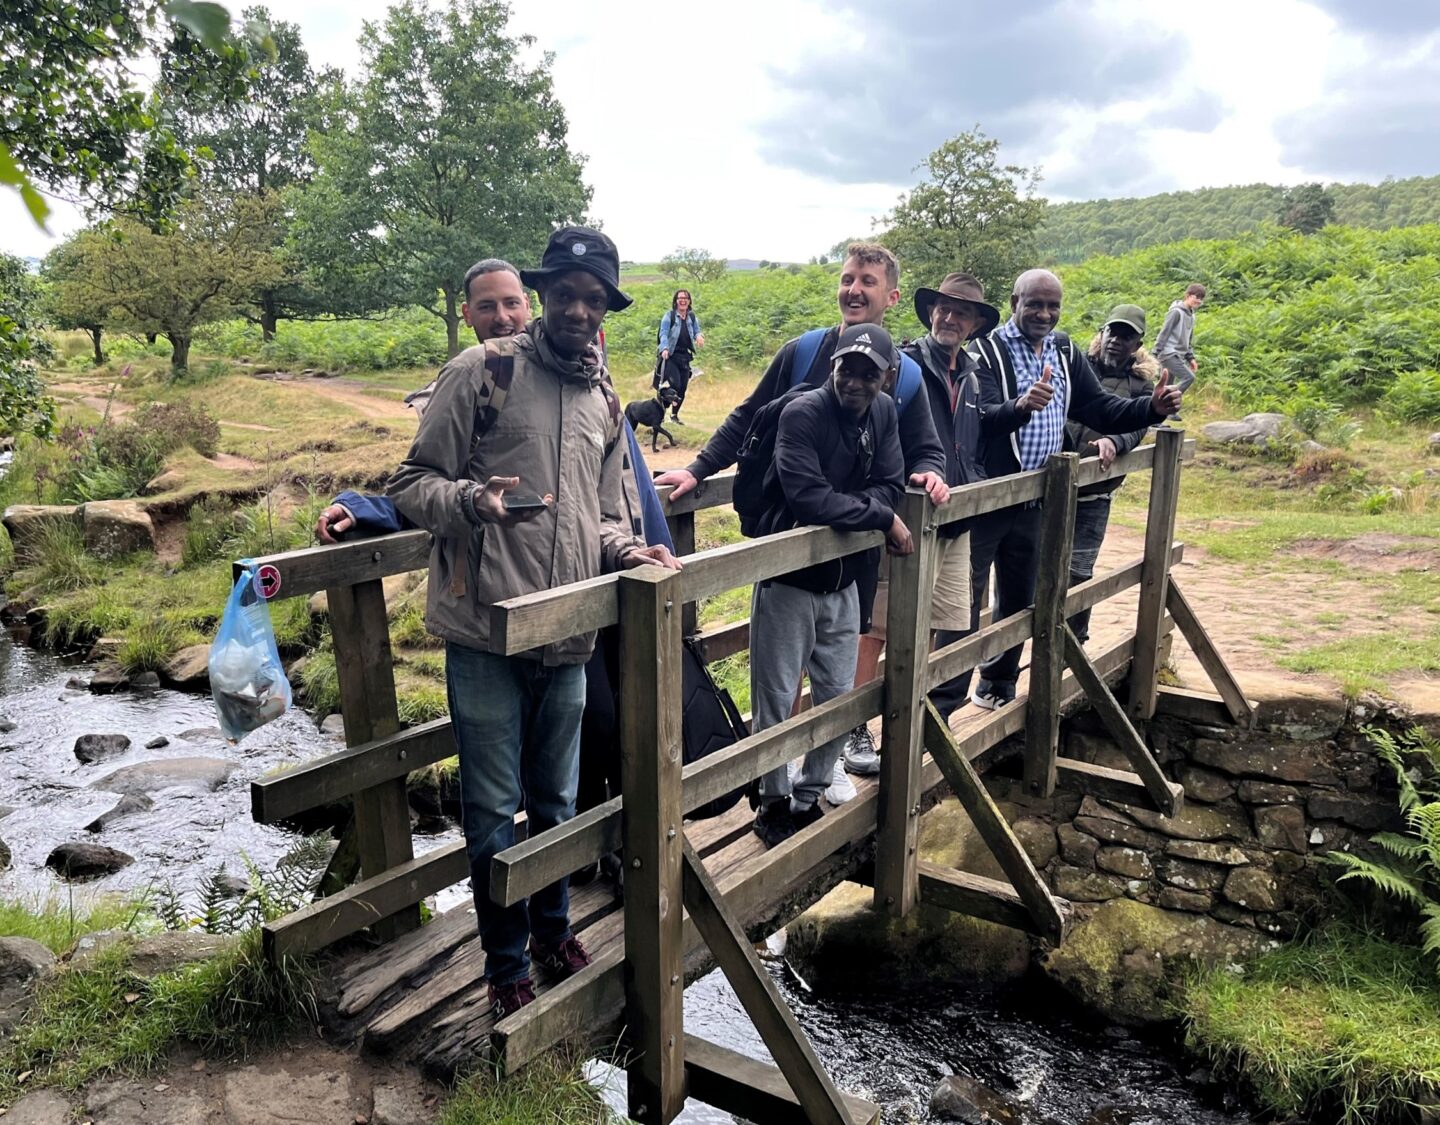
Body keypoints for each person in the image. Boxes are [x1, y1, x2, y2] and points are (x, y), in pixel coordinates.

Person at [388, 227, 681, 1020]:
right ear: (543, 295)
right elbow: (411, 483)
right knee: (491, 810)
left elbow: (606, 515)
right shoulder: (482, 372)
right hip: (485, 629)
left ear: (606, 308)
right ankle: (505, 962)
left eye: (595, 299)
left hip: (570, 631)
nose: (580, 310)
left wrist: (633, 550)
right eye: (567, 294)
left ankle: (554, 930)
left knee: (557, 799)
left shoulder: (605, 399)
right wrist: (471, 502)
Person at [654, 243, 947, 802]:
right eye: (847, 278)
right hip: (788, 543)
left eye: (867, 281)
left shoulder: (904, 378)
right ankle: (779, 777)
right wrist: (697, 468)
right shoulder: (803, 351)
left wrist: (929, 474)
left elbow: (922, 446)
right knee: (780, 668)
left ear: (891, 296)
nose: (854, 289)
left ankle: (822, 767)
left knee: (837, 661)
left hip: (853, 553)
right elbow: (747, 415)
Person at [963, 269, 1182, 712]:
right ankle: (940, 703)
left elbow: (1098, 406)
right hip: (987, 497)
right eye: (1034, 304)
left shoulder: (1063, 350)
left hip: (1038, 498)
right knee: (964, 601)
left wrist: (1151, 409)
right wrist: (1020, 406)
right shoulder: (984, 351)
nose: (1044, 314)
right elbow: (979, 417)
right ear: (1014, 303)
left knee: (1019, 598)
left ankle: (996, 684)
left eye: (1053, 306)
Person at [747, 323, 909, 848]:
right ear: (832, 367)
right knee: (776, 699)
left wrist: (867, 508)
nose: (854, 382)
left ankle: (807, 795)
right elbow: (807, 498)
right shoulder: (802, 414)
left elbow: (892, 483)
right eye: (846, 369)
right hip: (789, 580)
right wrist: (879, 517)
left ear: (887, 377)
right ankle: (772, 802)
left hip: (844, 580)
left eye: (868, 373)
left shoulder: (884, 413)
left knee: (838, 698)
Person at [314, 260, 532, 543]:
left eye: (511, 303)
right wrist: (366, 510)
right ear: (467, 314)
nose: (502, 317)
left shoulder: (568, 378)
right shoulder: (462, 381)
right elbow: (426, 485)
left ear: (527, 305)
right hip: (485, 560)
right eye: (487, 307)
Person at [896, 273, 1000, 725]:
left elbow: (973, 442)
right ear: (930, 312)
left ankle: (922, 718)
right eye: (943, 308)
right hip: (912, 510)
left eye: (962, 312)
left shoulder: (973, 377)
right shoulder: (905, 365)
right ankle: (871, 726)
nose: (950, 318)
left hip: (955, 516)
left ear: (975, 324)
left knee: (944, 618)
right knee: (889, 624)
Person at [1065, 304, 1157, 646]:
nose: (1116, 340)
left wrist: (1116, 441)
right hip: (1049, 486)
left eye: (1126, 336)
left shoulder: (1141, 385)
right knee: (1033, 568)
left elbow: (1139, 426)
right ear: (1101, 334)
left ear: (1137, 345)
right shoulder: (1076, 367)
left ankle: (1074, 645)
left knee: (1079, 571)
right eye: (1112, 332)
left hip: (1096, 492)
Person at [1153, 283, 1205, 420]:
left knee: (1166, 385)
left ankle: (1162, 414)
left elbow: (1188, 340)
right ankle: (1163, 405)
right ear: (1188, 296)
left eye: (1201, 298)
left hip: (1178, 354)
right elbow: (1164, 333)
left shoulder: (1192, 315)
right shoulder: (1176, 312)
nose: (1199, 301)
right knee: (1188, 377)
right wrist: (1155, 353)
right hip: (1168, 353)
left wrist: (1190, 358)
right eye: (1196, 297)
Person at [655, 289, 703, 424]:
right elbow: (663, 333)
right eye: (680, 298)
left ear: (689, 301)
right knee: (675, 385)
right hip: (670, 356)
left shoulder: (691, 317)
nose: (683, 300)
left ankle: (674, 416)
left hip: (685, 356)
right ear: (676, 301)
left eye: (686, 298)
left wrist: (699, 337)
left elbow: (696, 331)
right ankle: (660, 412)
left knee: (683, 388)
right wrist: (664, 348)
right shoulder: (669, 316)